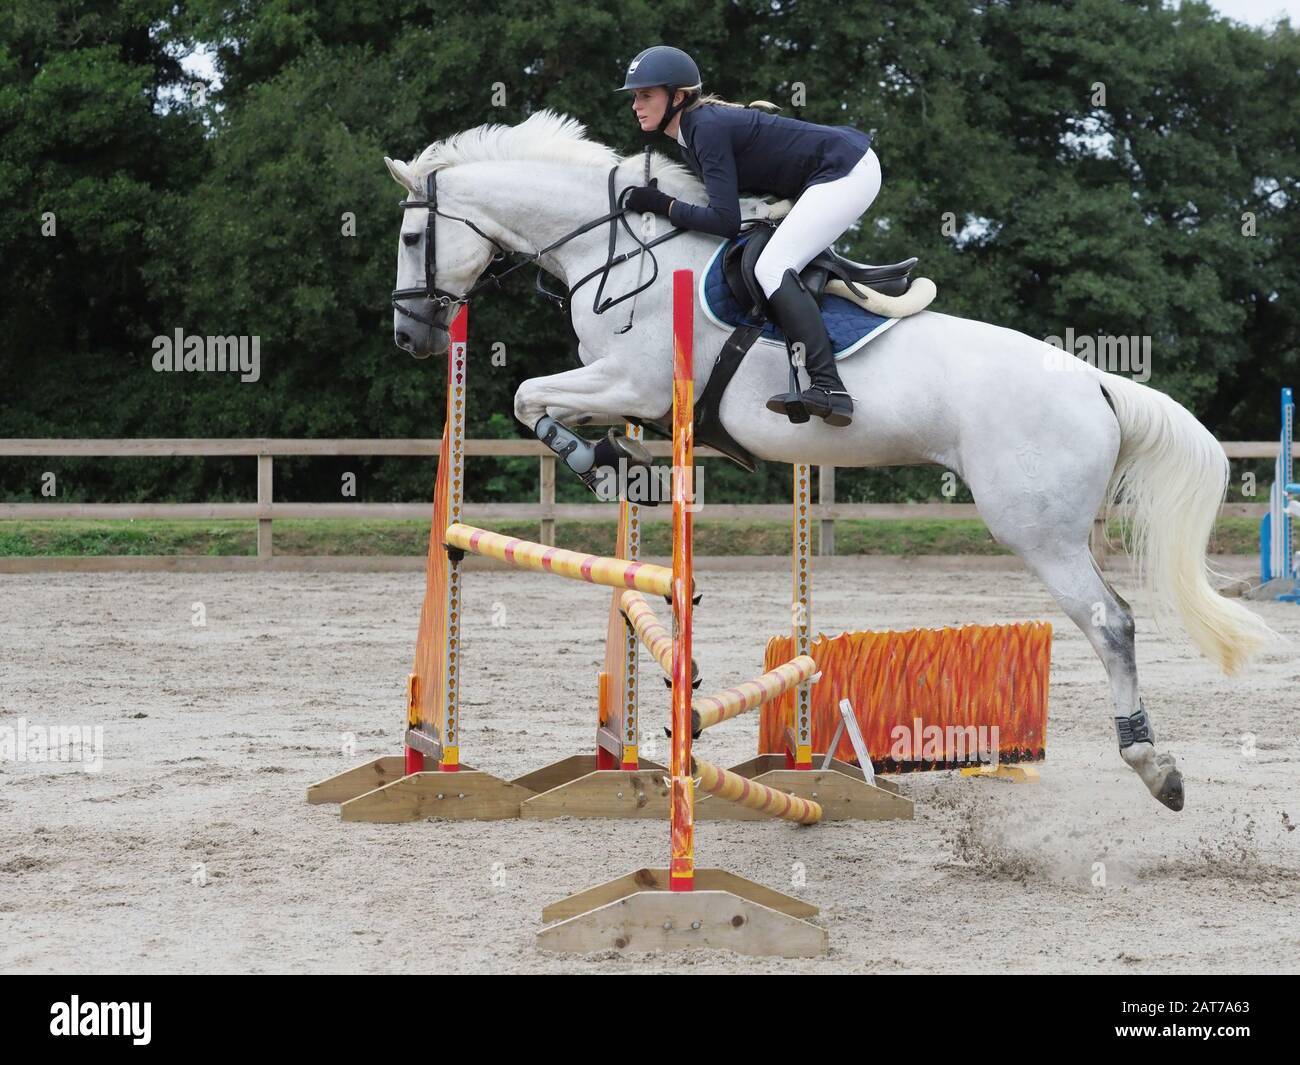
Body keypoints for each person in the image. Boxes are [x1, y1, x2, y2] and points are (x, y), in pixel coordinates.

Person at [616, 45, 882, 428]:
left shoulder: (704, 128)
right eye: (635, 97)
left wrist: (662, 204)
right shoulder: (691, 134)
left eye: (646, 95)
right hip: (826, 173)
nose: (636, 105)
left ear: (677, 97)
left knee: (772, 267)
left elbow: (724, 220)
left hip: (846, 171)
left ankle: (830, 387)